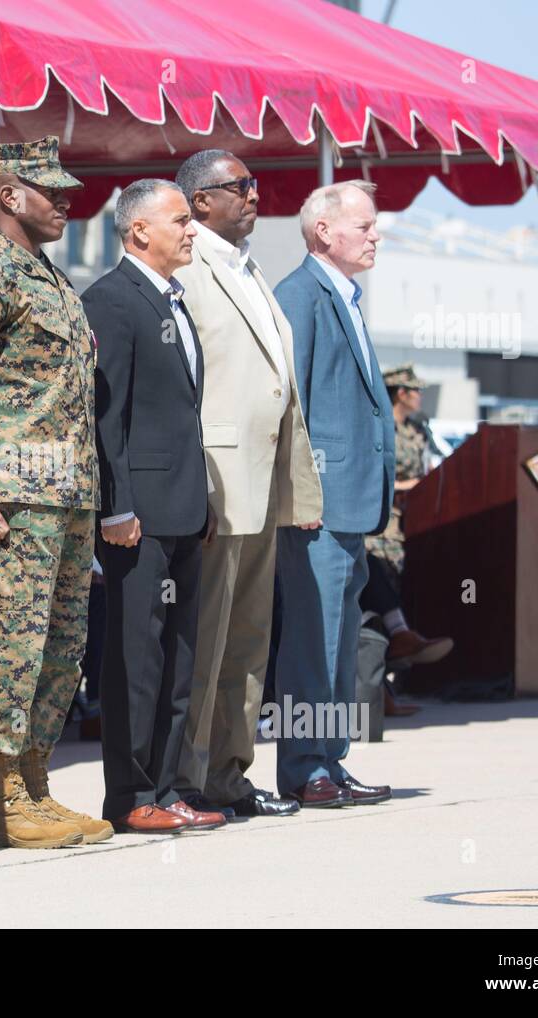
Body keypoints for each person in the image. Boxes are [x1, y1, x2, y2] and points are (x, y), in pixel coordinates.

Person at [0, 135, 111, 849]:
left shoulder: (49, 277)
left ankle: (36, 785)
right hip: (13, 499)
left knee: (60, 650)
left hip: (67, 497)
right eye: (51, 189)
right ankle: (4, 796)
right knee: (10, 648)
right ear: (10, 196)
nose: (67, 199)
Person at [172, 150, 323, 821]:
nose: (255, 196)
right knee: (208, 640)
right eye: (241, 187)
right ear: (201, 201)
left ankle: (232, 773)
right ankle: (191, 775)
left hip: (262, 484)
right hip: (218, 482)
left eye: (255, 184)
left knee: (249, 639)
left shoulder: (249, 267)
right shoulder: (188, 264)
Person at [83, 179, 223, 834]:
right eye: (180, 219)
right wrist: (115, 506)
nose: (192, 229)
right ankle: (131, 794)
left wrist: (204, 498)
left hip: (183, 509)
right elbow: (106, 417)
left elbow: (180, 415)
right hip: (137, 516)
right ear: (139, 231)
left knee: (178, 658)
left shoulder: (172, 300)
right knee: (136, 660)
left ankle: (168, 788)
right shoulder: (113, 300)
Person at [271, 180, 395, 808]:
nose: (375, 236)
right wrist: (302, 494)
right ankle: (302, 767)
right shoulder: (301, 295)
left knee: (341, 637)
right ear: (325, 232)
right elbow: (292, 405)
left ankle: (331, 758)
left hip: (350, 502)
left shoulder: (344, 296)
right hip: (318, 502)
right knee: (310, 639)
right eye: (364, 226)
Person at [365, 364, 454, 668]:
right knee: (380, 589)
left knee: (403, 591)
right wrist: (408, 486)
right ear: (400, 393)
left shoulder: (416, 429)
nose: (419, 396)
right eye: (415, 391)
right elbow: (373, 477)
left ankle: (394, 676)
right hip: (383, 524)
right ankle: (380, 674)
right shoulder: (377, 427)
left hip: (414, 522)